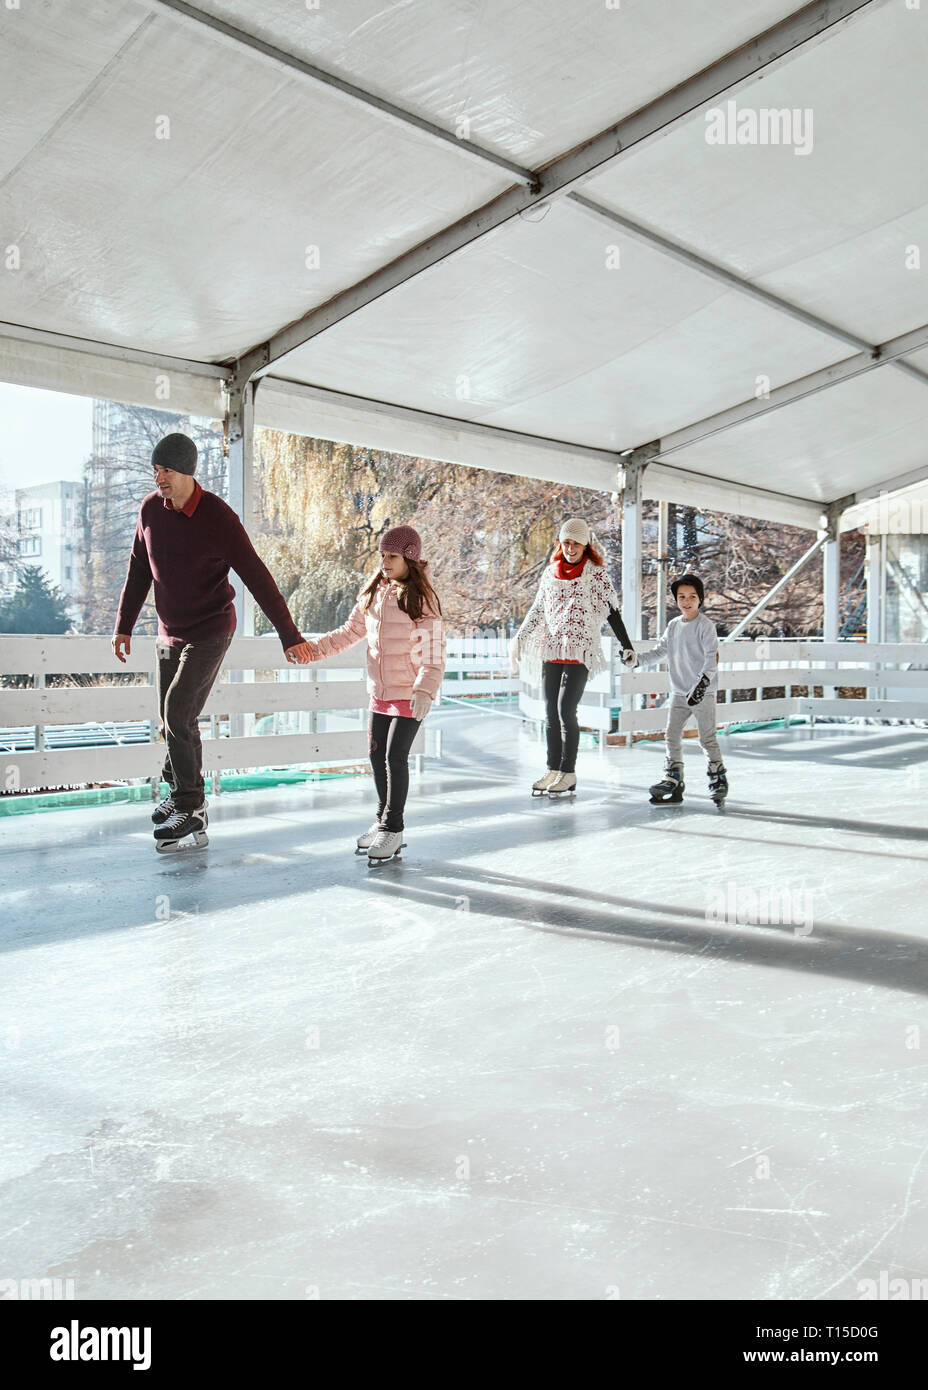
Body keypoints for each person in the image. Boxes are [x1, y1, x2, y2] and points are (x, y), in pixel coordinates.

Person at [112, 433, 312, 852]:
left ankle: (192, 805)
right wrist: (123, 625)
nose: (158, 478)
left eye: (165, 470)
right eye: (155, 471)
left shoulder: (218, 516)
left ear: (186, 470)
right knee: (171, 721)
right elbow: (138, 570)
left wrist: (288, 635)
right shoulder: (149, 510)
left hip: (210, 628)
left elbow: (257, 576)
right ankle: (180, 791)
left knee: (178, 711)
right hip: (170, 631)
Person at [306, 525, 445, 862]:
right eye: (382, 555)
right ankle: (383, 821)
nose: (384, 561)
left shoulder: (421, 599)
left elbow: (434, 652)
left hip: (410, 693)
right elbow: (348, 633)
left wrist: (425, 689)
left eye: (392, 556)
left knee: (395, 757)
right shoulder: (374, 593)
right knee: (375, 755)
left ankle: (394, 829)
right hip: (380, 693)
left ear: (409, 557)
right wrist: (313, 650)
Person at [514, 518, 637, 797]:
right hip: (553, 650)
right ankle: (552, 769)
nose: (570, 548)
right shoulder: (550, 573)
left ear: (585, 545)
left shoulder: (595, 575)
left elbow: (612, 612)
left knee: (565, 710)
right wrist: (519, 638)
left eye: (576, 543)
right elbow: (537, 609)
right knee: (549, 713)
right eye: (566, 542)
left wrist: (627, 645)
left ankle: (568, 772)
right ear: (561, 543)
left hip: (580, 651)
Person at [637, 572, 727, 805]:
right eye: (681, 597)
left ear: (700, 599)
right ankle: (673, 777)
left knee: (707, 738)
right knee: (671, 735)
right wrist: (635, 660)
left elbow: (711, 658)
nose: (686, 601)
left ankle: (718, 777)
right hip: (679, 692)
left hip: (702, 693)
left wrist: (703, 683)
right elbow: (660, 652)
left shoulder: (705, 626)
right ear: (676, 600)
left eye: (692, 596)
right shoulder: (674, 625)